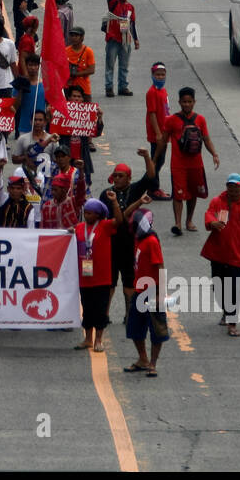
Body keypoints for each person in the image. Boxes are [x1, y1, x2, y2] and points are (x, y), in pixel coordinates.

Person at [99, 148, 158, 322]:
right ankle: (105, 314)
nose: (117, 179)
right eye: (115, 175)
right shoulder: (106, 194)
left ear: (129, 178)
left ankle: (129, 314)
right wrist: (139, 202)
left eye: (121, 176)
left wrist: (147, 157)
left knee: (129, 281)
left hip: (130, 243)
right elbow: (120, 218)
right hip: (111, 242)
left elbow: (151, 176)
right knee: (109, 281)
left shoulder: (134, 189)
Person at [201, 174, 240, 337]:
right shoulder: (218, 201)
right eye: (230, 186)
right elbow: (210, 214)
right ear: (226, 186)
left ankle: (232, 322)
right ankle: (226, 311)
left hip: (238, 256)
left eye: (236, 186)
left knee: (234, 289)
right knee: (218, 288)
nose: (233, 189)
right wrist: (212, 222)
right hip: (218, 254)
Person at [163, 87, 220, 235]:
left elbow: (206, 139)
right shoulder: (171, 120)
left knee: (193, 193)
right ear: (179, 102)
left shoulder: (200, 119)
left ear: (194, 102)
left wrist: (214, 153)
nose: (187, 104)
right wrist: (155, 159)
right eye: (184, 102)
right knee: (178, 194)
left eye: (189, 101)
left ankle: (189, 221)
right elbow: (163, 141)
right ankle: (178, 223)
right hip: (178, 165)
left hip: (196, 164)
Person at [124, 210, 169, 377]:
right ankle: (142, 358)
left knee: (157, 329)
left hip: (152, 291)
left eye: (134, 225)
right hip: (139, 290)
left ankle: (153, 363)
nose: (131, 228)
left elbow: (160, 266)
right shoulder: (138, 238)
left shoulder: (151, 241)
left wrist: (161, 293)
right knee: (134, 327)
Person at [74, 200, 115, 352]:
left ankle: (99, 339)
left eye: (90, 213)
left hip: (102, 277)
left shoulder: (105, 226)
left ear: (98, 215)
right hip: (85, 277)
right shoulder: (79, 227)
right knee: (87, 308)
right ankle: (87, 339)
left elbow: (120, 220)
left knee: (100, 309)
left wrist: (115, 202)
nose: (86, 216)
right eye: (85, 212)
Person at [102, 0, 139, 98]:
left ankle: (123, 87)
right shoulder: (113, 3)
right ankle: (109, 87)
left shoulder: (130, 7)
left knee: (124, 66)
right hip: (113, 39)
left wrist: (136, 39)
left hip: (125, 40)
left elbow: (132, 24)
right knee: (110, 65)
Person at [144, 62, 172, 198]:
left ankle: (151, 185)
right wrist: (158, 133)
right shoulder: (151, 92)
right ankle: (153, 188)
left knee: (160, 160)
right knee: (156, 160)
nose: (160, 77)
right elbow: (152, 113)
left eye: (162, 74)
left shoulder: (163, 91)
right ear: (152, 75)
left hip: (165, 131)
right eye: (157, 75)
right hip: (157, 133)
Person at [65, 27, 97, 100]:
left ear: (82, 37)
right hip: (69, 87)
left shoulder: (88, 51)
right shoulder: (65, 51)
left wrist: (75, 74)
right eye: (72, 36)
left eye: (76, 36)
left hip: (84, 88)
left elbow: (92, 70)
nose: (73, 38)